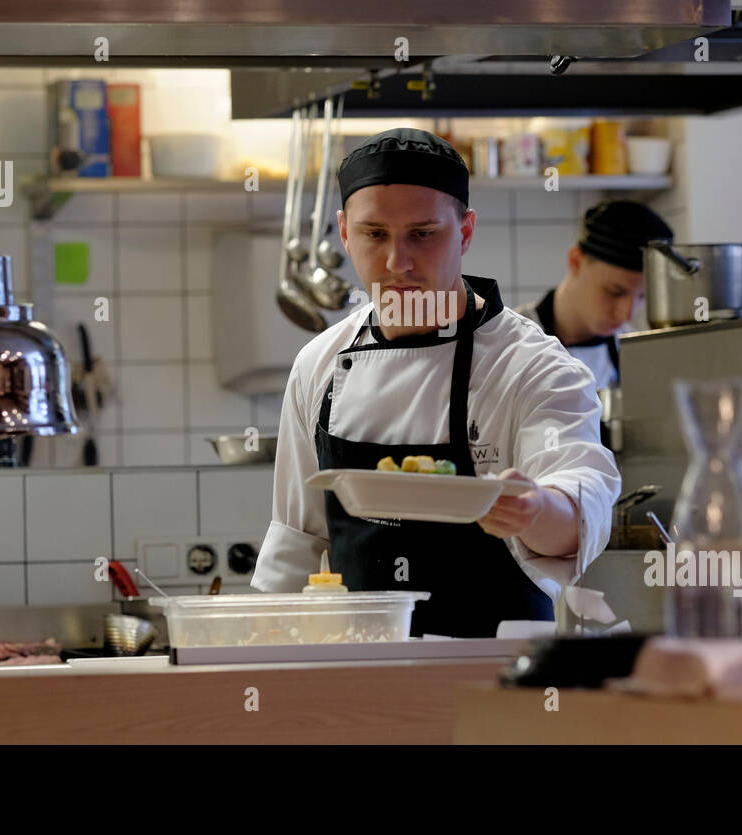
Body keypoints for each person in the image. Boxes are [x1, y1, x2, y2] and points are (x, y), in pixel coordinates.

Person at [251, 128, 621, 638]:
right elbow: (297, 541)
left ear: (465, 231)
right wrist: (262, 658)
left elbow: (581, 506)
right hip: (357, 675)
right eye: (374, 234)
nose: (396, 262)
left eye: (423, 234)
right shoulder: (319, 363)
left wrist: (534, 508)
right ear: (343, 231)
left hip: (496, 683)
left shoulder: (531, 367)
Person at [514, 200, 674, 389]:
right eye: (615, 292)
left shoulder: (637, 355)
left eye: (642, 297)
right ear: (575, 262)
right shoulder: (511, 341)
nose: (626, 315)